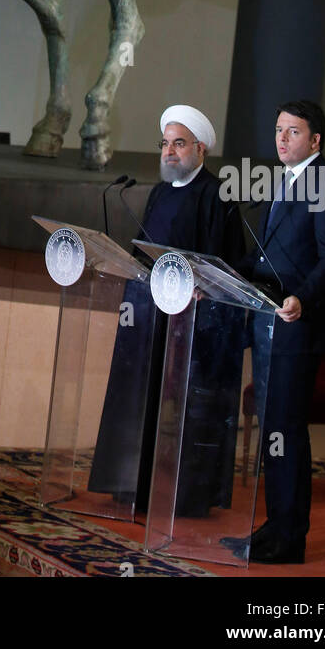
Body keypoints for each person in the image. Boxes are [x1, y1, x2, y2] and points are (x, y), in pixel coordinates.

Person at [88, 104, 245, 512]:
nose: (169, 152)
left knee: (188, 407)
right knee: (139, 395)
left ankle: (189, 497)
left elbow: (227, 264)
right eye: (165, 144)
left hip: (195, 325)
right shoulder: (159, 192)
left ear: (201, 150)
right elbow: (146, 254)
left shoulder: (217, 195)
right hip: (148, 314)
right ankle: (130, 484)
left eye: (179, 144)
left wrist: (203, 287)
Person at [228, 100, 325, 565]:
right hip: (267, 323)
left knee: (285, 429)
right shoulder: (285, 182)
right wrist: (220, 277)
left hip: (295, 325)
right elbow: (264, 260)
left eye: (293, 132)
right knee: (273, 429)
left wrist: (301, 297)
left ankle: (290, 538)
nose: (282, 139)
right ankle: (274, 528)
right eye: (278, 130)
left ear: (315, 140)